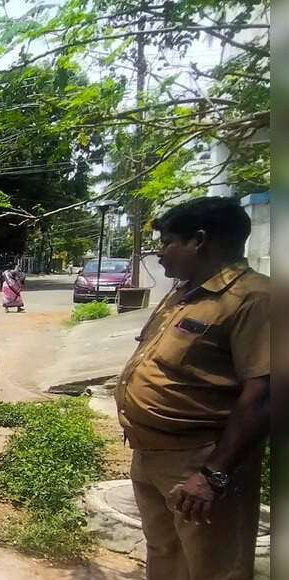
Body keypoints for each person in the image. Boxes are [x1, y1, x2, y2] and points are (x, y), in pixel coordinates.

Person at [116, 197, 269, 579]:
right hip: (151, 455)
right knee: (165, 556)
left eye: (167, 242)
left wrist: (214, 475)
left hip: (200, 463)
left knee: (214, 567)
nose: (160, 253)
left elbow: (264, 396)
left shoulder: (254, 299)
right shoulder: (183, 292)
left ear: (199, 240)